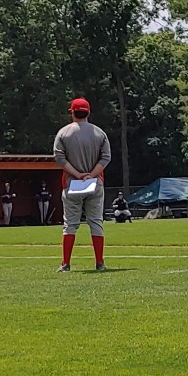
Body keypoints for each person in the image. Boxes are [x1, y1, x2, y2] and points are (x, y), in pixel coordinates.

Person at [53, 97, 111, 271]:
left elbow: (59, 158)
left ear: (72, 112)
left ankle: (66, 263)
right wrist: (91, 175)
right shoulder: (100, 133)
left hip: (72, 183)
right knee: (96, 222)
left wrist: (78, 174)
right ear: (88, 112)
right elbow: (106, 158)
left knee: (70, 224)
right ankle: (99, 262)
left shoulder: (63, 133)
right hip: (95, 182)